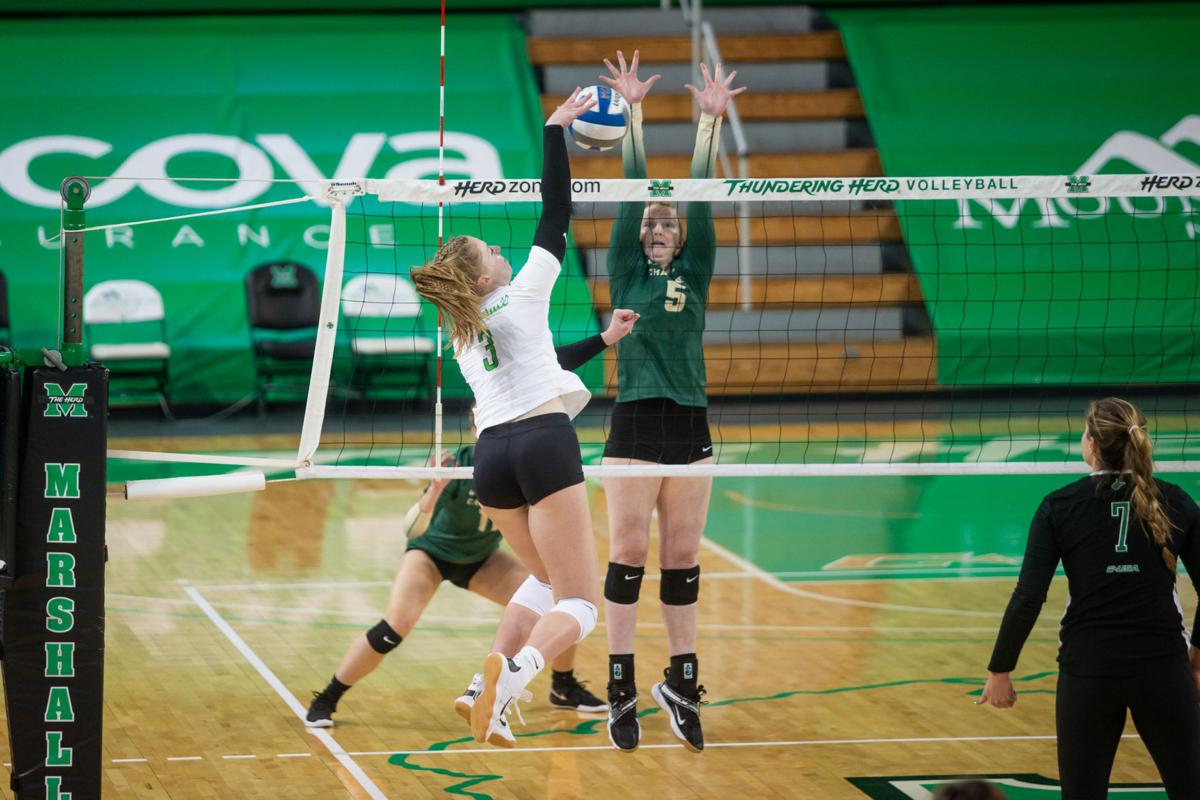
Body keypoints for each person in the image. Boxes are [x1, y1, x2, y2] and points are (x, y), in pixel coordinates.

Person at [304, 315, 638, 729]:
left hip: (482, 559)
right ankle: (328, 696)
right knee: (395, 626)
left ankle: (562, 684)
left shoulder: (520, 459)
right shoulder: (462, 465)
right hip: (432, 554)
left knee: (557, 594)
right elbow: (411, 532)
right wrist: (432, 492)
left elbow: (551, 363)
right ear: (476, 423)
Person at [409, 87, 603, 749]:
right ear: (486, 276)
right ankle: (516, 674)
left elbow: (541, 356)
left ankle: (483, 695)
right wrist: (556, 130)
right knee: (581, 604)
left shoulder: (460, 332)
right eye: (491, 250)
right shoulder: (522, 296)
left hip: (490, 460)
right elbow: (558, 208)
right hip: (544, 444)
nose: (501, 251)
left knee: (546, 582)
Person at [597, 51, 745, 754]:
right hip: (634, 419)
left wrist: (708, 125)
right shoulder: (625, 268)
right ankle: (619, 683)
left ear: (682, 238)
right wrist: (632, 113)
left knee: (682, 557)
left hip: (690, 420)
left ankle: (681, 681)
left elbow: (705, 199)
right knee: (628, 553)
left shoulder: (699, 270)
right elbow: (632, 195)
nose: (657, 228)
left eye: (667, 223)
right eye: (650, 222)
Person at [978, 397, 1200, 799]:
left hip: (1088, 671)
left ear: (1091, 444)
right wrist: (1197, 660)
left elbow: (1029, 595)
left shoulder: (1059, 506)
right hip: (1163, 667)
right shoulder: (1176, 501)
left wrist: (1000, 670)